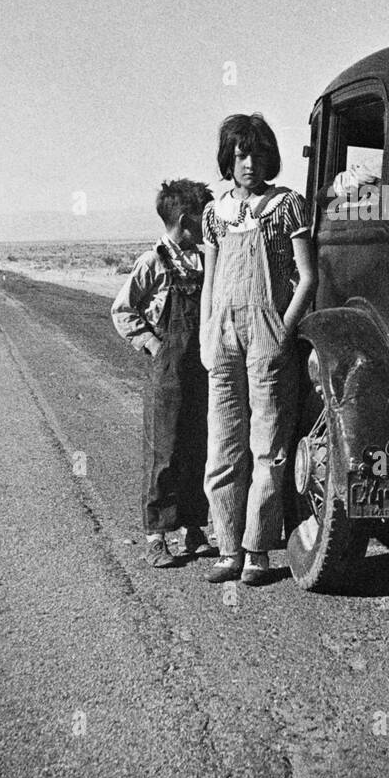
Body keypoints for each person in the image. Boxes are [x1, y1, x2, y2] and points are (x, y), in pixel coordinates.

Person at [200, 114, 316, 587]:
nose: (249, 163)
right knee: (223, 447)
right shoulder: (214, 213)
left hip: (267, 333)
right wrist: (209, 336)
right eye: (241, 154)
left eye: (258, 154)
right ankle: (227, 547)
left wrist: (282, 335)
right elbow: (210, 280)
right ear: (229, 158)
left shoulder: (286, 205)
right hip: (222, 336)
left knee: (268, 447)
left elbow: (308, 278)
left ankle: (257, 551)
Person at [111, 178, 213, 568]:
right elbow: (123, 310)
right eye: (204, 218)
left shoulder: (203, 259)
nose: (208, 226)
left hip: (201, 366)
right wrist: (154, 346)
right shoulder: (152, 261)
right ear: (186, 220)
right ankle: (156, 534)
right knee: (163, 452)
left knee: (197, 446)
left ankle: (193, 527)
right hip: (167, 369)